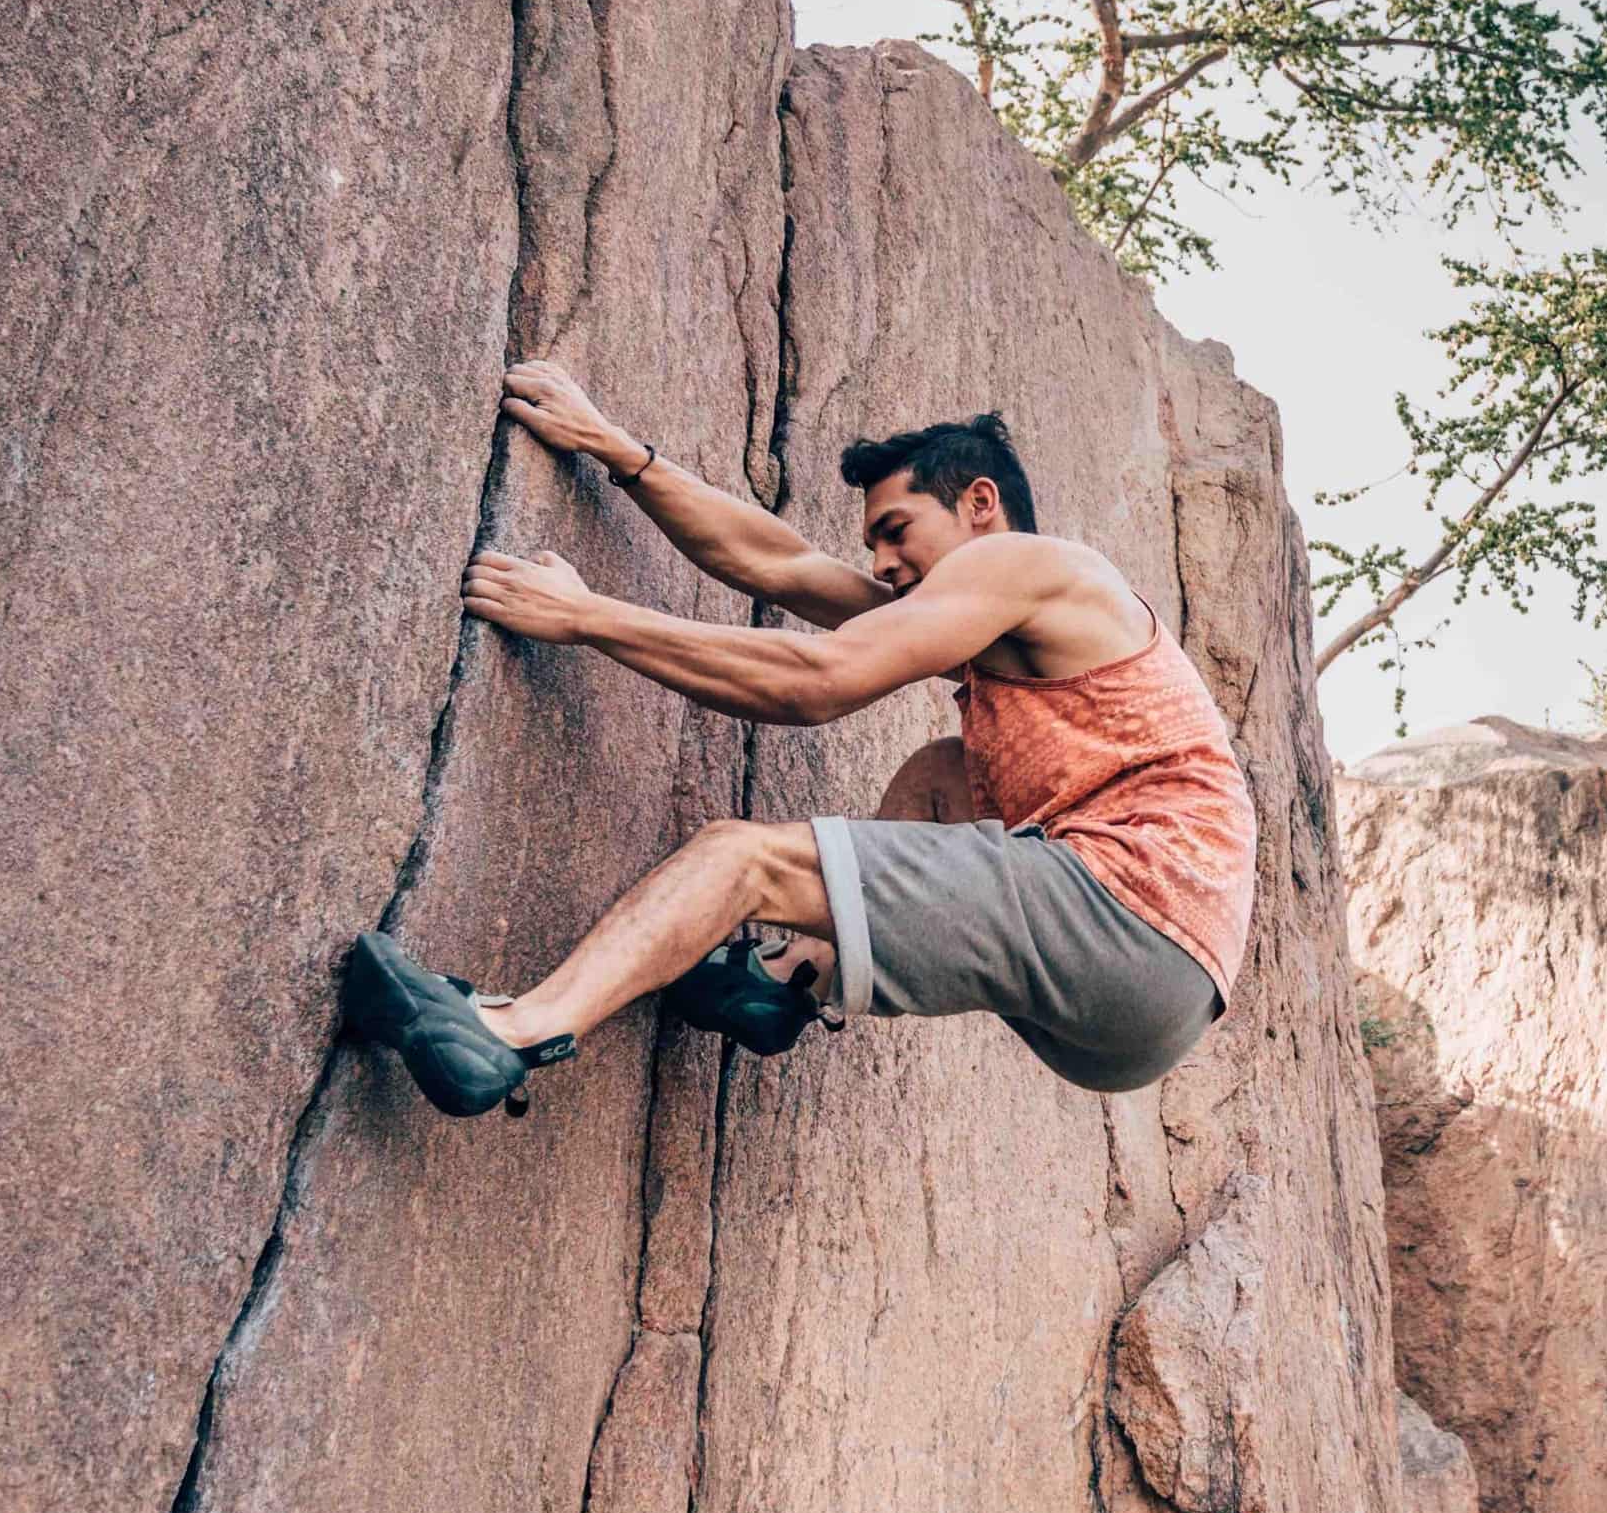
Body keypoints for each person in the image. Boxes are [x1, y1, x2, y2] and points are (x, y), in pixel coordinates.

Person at [342, 365, 1256, 1122]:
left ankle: (511, 1032)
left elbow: (815, 682)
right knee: (944, 776)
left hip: (1132, 913)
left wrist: (587, 618)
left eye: (897, 531)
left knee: (741, 858)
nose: (885, 564)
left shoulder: (1031, 563)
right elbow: (780, 564)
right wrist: (622, 452)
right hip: (1142, 1019)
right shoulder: (992, 626)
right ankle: (785, 980)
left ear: (980, 503)